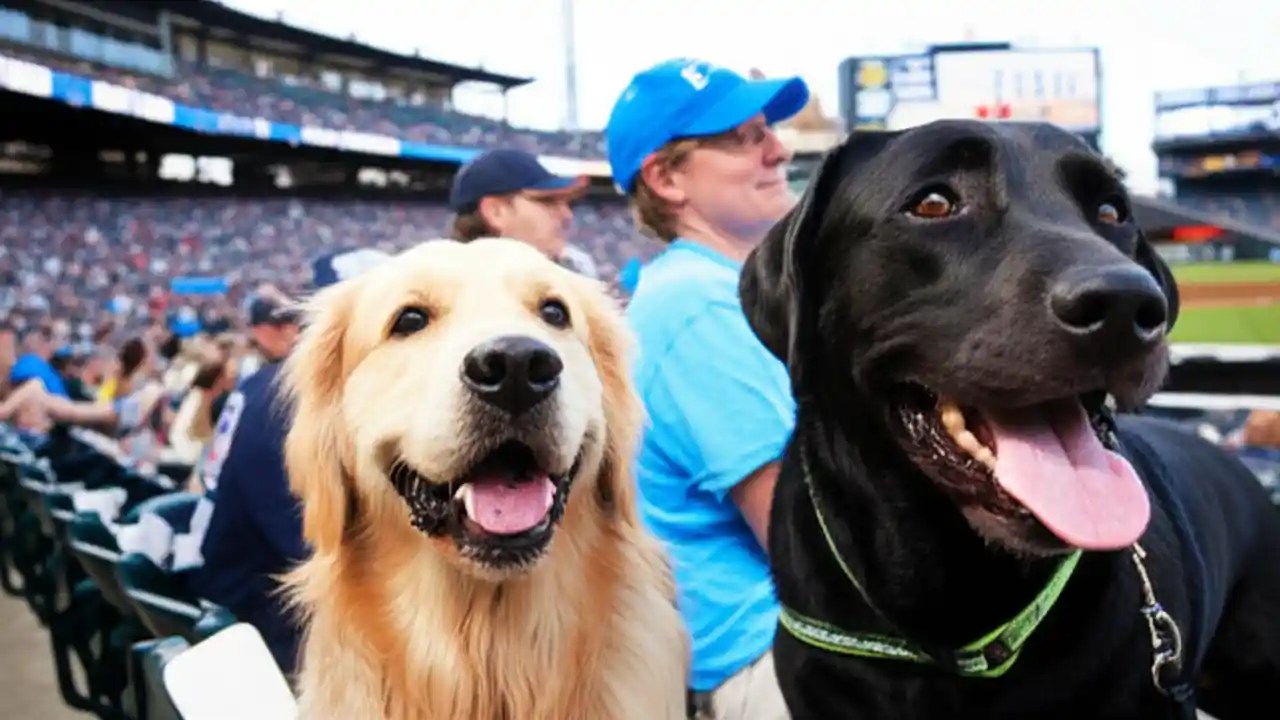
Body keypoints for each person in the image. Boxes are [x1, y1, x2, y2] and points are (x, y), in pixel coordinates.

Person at [604, 58, 809, 719]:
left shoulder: (713, 291)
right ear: (667, 178)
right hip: (779, 657)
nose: (778, 147)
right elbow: (803, 539)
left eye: (768, 130)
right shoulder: (693, 307)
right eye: (745, 136)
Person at [189, 251, 390, 679]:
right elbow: (320, 554)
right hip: (263, 629)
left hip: (236, 592)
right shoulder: (291, 400)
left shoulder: (271, 382)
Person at [447, 148, 596, 276]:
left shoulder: (573, 272)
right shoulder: (452, 297)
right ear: (496, 212)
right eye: (548, 201)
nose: (567, 215)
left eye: (568, 204)